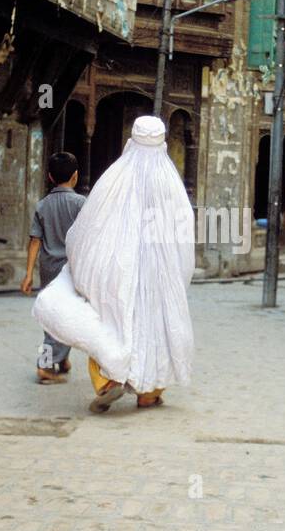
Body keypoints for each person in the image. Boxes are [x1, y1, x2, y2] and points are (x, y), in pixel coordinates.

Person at [32, 115, 194, 413]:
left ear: (130, 141)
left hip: (115, 270)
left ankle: (107, 381)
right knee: (155, 328)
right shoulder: (171, 186)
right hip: (158, 277)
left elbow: (87, 227)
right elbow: (184, 239)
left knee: (105, 321)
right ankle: (148, 393)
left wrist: (85, 265)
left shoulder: (113, 178)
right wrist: (177, 277)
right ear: (162, 145)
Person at [21, 151, 85, 382]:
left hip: (48, 269)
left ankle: (60, 357)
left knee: (52, 315)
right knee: (67, 316)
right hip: (71, 271)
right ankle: (46, 365)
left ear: (49, 177)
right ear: (75, 176)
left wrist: (28, 274)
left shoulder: (42, 205)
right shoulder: (81, 204)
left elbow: (35, 241)